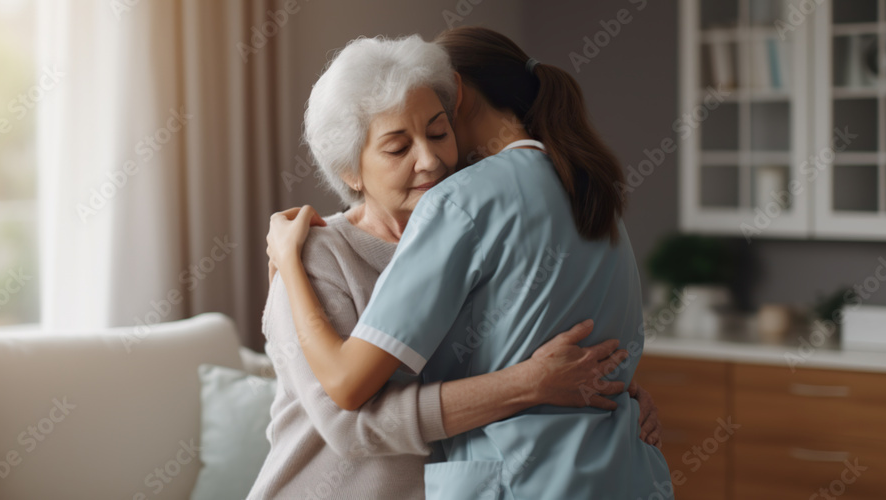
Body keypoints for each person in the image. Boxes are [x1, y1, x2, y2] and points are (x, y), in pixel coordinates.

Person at [250, 34, 661, 499]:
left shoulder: (467, 244)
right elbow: (353, 427)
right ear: (350, 170)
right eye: (397, 148)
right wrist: (529, 385)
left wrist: (614, 392)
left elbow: (513, 347)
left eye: (438, 133)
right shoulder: (315, 256)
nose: (429, 160)